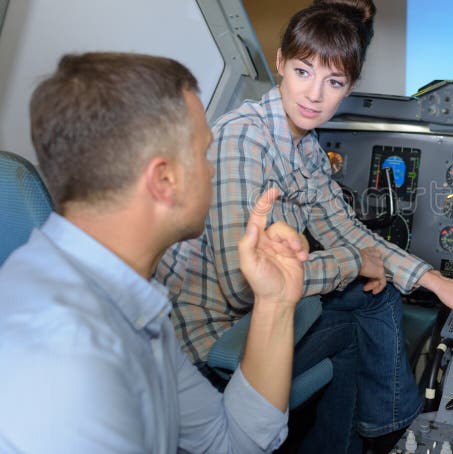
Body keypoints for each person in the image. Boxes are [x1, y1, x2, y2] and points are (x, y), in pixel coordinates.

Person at [156, 0, 453, 452]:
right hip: (209, 346)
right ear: (280, 61)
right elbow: (242, 284)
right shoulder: (243, 139)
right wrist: (351, 263)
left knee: (376, 291)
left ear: (349, 86)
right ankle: (389, 431)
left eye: (334, 82)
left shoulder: (304, 145)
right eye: (304, 72)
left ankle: (384, 427)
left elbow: (347, 230)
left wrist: (438, 283)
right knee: (369, 305)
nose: (314, 95)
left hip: (249, 317)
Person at [0, 52, 309, 453]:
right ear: (164, 180)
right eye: (203, 154)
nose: (212, 169)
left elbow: (229, 442)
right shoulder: (68, 357)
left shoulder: (130, 302)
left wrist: (275, 302)